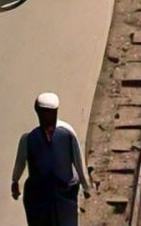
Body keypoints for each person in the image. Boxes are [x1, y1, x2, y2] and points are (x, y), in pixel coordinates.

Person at [11, 92, 91, 224]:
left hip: (65, 194)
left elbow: (78, 159)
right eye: (44, 113)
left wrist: (86, 185)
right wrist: (15, 181)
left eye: (50, 113)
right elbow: (20, 163)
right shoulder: (28, 138)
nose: (47, 117)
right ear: (38, 113)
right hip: (39, 197)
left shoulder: (67, 133)